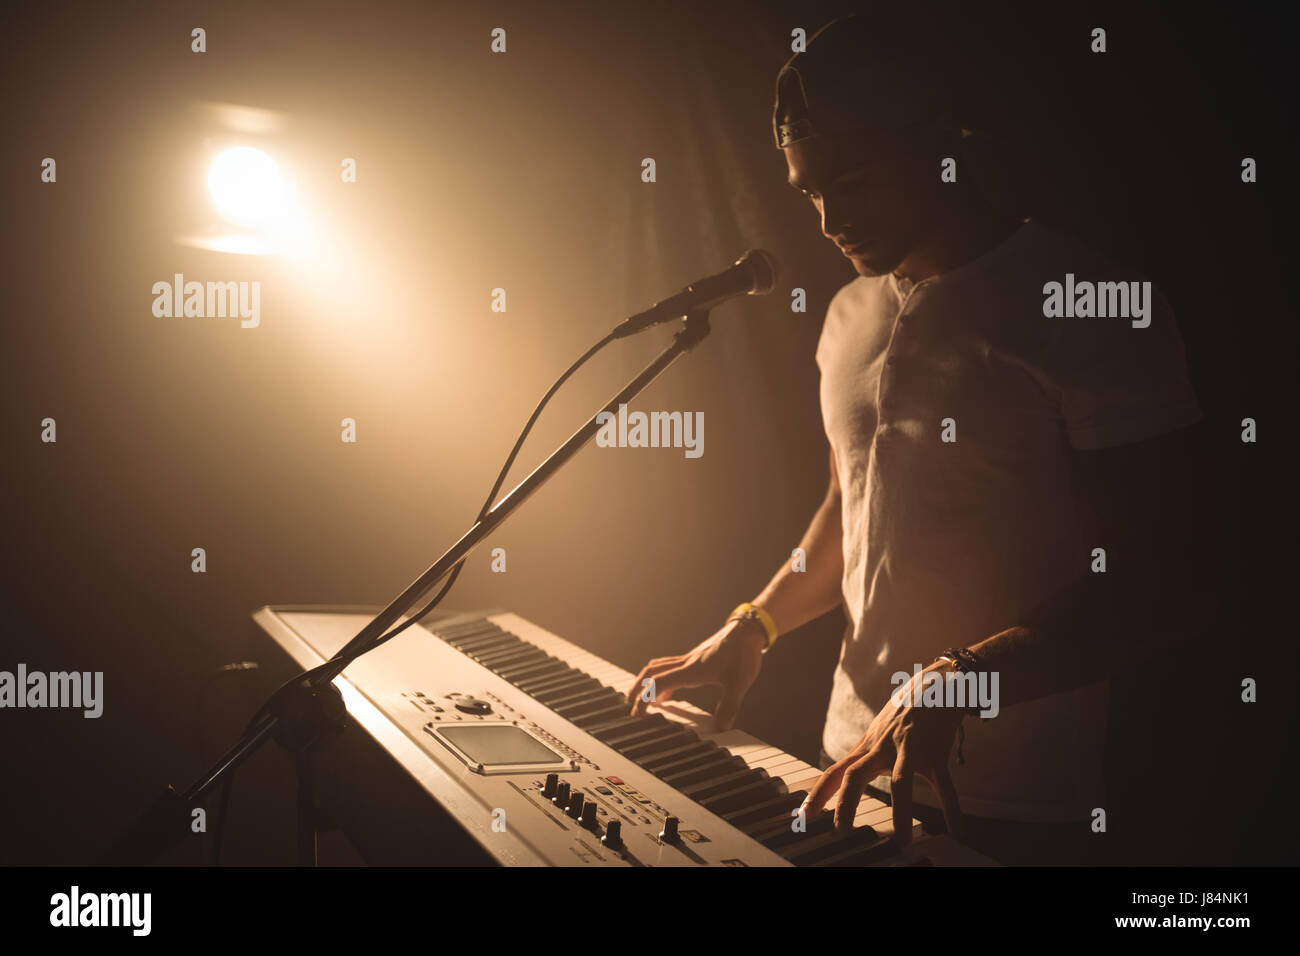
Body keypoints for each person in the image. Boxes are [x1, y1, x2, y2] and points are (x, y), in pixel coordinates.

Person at [623, 10, 1224, 865]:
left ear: (941, 139)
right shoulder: (845, 313)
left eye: (855, 178)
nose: (829, 217)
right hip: (843, 764)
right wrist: (752, 624)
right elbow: (849, 509)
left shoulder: (1088, 301)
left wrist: (962, 678)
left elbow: (1176, 580)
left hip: (1017, 808)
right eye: (809, 191)